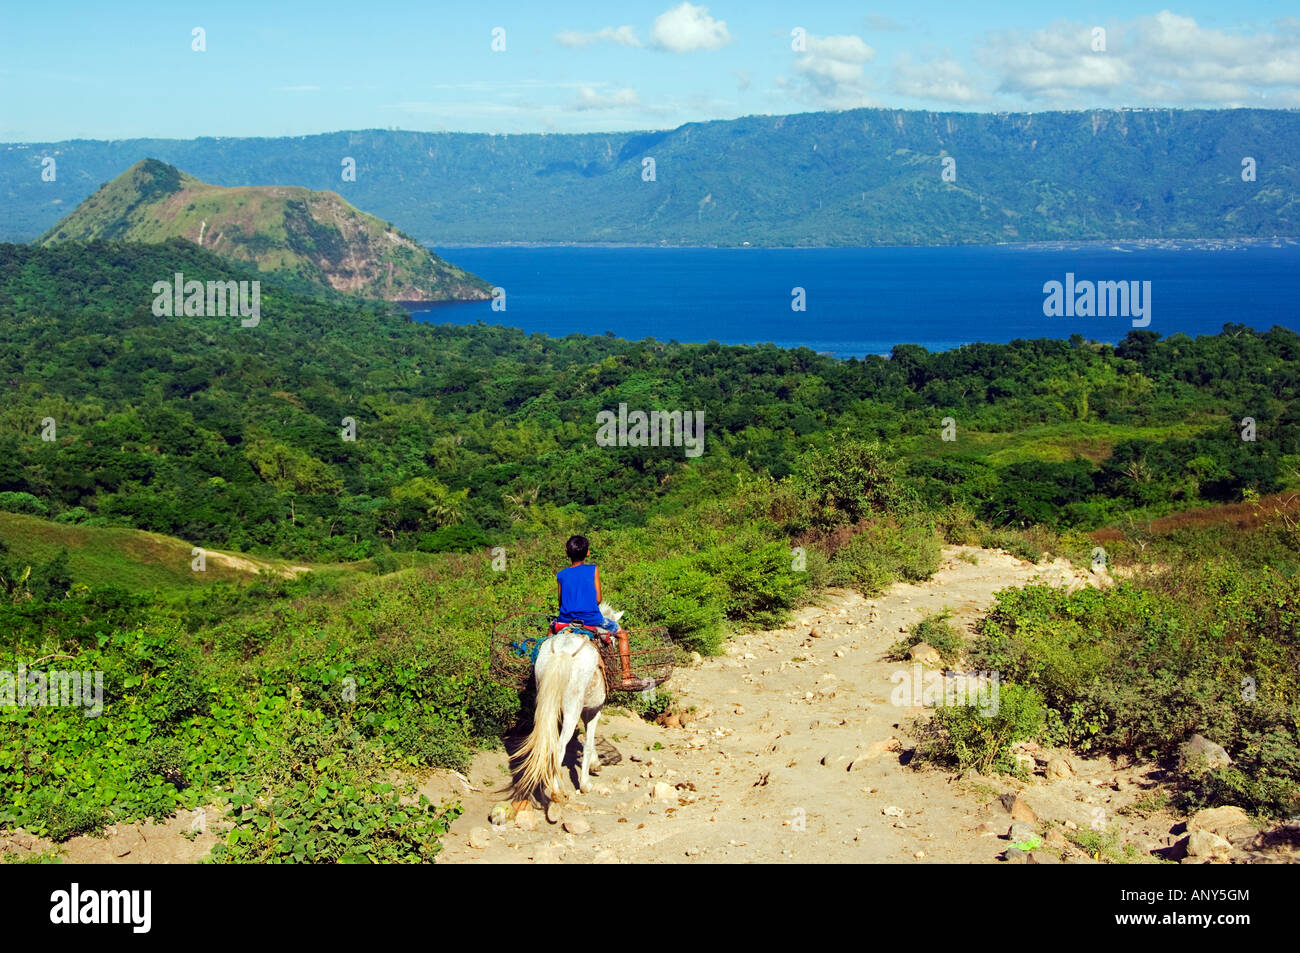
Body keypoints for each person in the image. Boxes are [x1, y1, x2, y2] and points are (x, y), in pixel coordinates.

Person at [554, 534, 649, 691]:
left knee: (550, 632)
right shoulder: (593, 569)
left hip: (565, 621)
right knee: (622, 634)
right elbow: (598, 598)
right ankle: (626, 676)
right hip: (592, 620)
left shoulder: (561, 574)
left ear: (567, 554)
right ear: (588, 553)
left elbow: (560, 602)